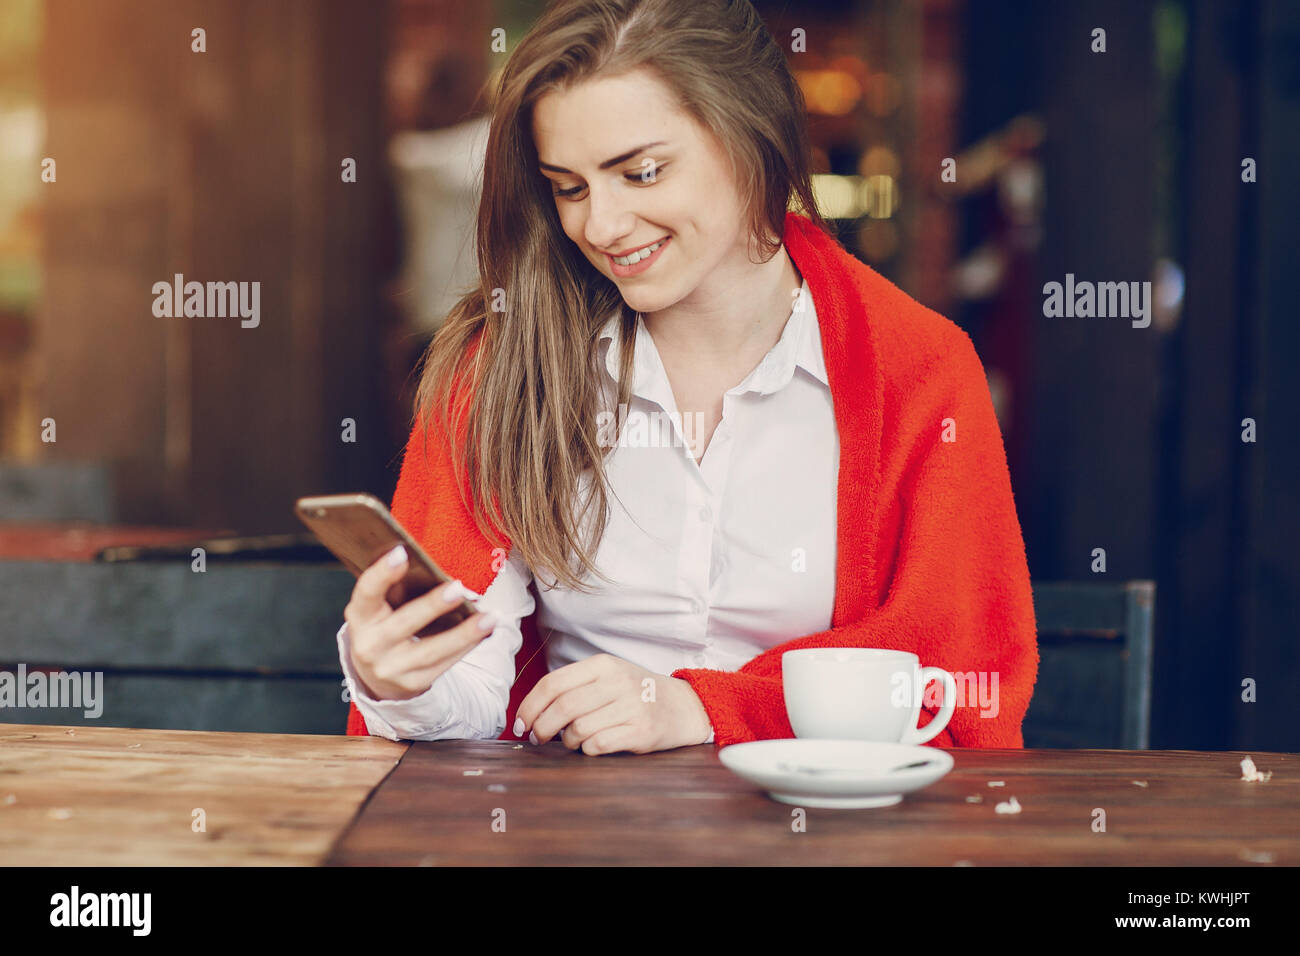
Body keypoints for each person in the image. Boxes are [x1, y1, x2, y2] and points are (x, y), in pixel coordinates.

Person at [337, 0, 1038, 754]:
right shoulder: (502, 365)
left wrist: (703, 709)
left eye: (640, 172)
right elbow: (468, 697)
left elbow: (964, 683)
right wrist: (401, 681)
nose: (599, 225)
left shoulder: (920, 371)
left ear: (752, 139)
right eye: (568, 187)